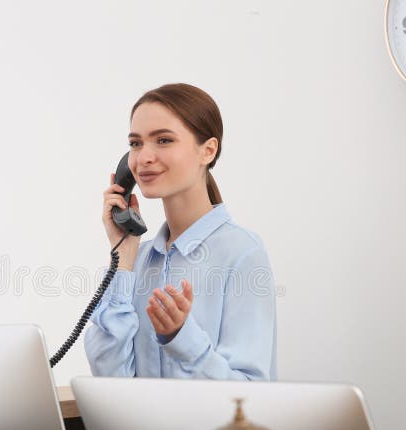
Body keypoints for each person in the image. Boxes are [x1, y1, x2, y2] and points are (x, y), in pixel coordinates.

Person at [83, 83, 276, 380]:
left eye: (163, 140)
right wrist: (122, 261)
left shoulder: (242, 252)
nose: (143, 157)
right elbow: (110, 379)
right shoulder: (139, 258)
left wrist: (181, 338)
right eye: (135, 144)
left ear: (207, 151)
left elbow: (251, 391)